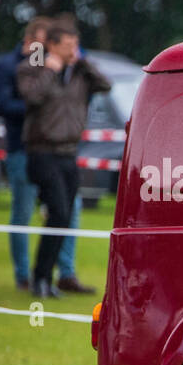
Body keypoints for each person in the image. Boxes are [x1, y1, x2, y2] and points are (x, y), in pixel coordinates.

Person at [16, 19, 109, 298]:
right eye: (68, 45)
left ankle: (48, 278)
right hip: (42, 153)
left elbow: (105, 85)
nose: (73, 50)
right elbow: (31, 97)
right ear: (52, 46)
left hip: (69, 154)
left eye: (76, 45)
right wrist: (49, 71)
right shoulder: (32, 68)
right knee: (57, 211)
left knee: (65, 216)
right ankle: (40, 278)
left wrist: (83, 63)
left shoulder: (81, 73)